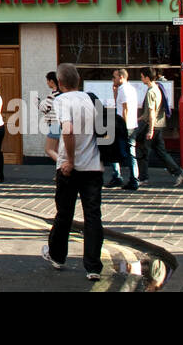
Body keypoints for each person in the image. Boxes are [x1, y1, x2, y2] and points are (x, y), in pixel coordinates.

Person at [40, 63, 104, 281]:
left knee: (64, 213)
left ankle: (57, 256)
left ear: (60, 83)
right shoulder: (90, 98)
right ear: (78, 80)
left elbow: (67, 130)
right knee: (93, 216)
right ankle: (93, 266)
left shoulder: (61, 100)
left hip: (70, 168)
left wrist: (70, 160)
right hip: (93, 166)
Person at [138, 68, 183, 186]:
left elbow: (151, 112)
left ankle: (143, 177)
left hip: (152, 125)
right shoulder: (158, 88)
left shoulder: (150, 92)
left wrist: (150, 130)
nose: (141, 79)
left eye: (142, 76)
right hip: (159, 124)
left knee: (143, 152)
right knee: (161, 151)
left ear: (147, 77)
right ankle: (178, 171)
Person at [107, 68, 139, 190]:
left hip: (125, 126)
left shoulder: (124, 90)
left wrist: (122, 127)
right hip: (132, 124)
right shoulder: (129, 89)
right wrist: (115, 93)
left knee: (117, 151)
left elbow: (125, 109)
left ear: (121, 77)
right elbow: (119, 105)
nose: (112, 79)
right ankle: (130, 178)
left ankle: (121, 177)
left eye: (114, 77)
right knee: (129, 152)